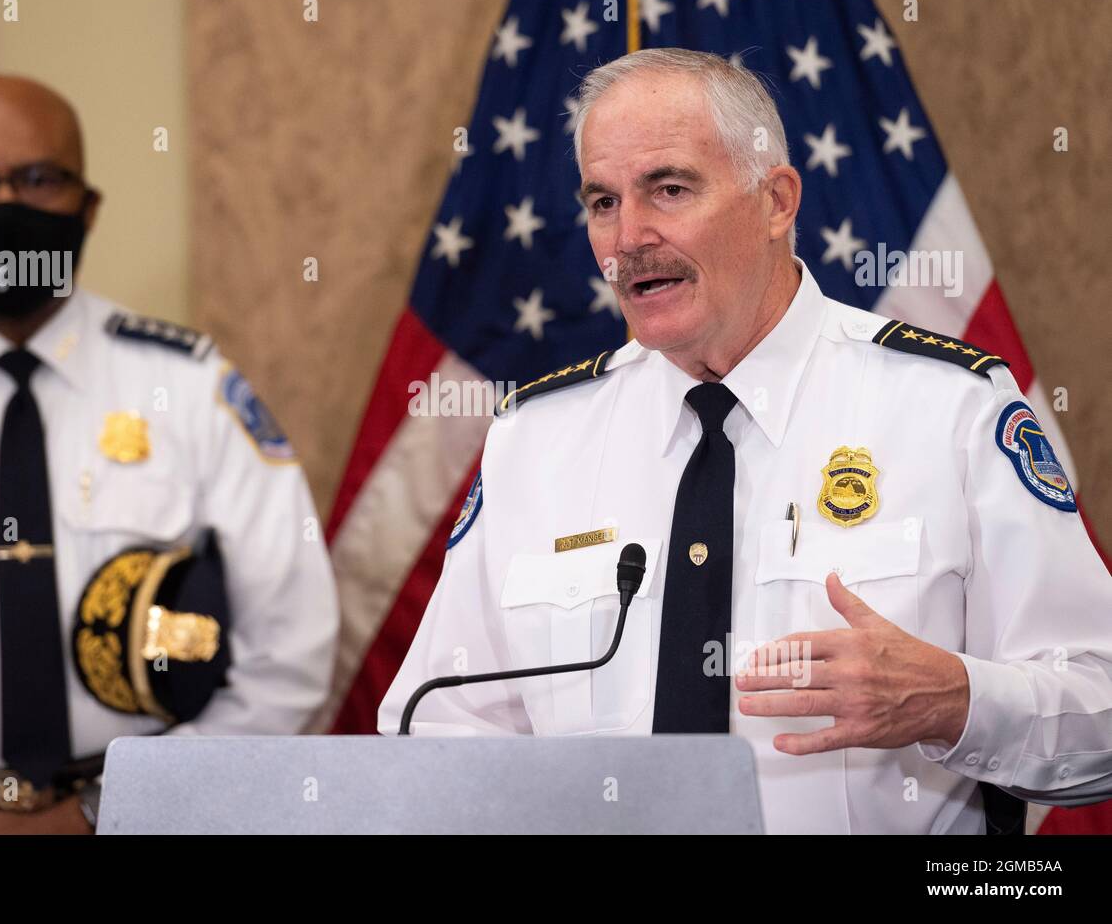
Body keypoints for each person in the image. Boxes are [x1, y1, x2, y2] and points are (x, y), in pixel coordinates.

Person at [378, 49, 1112, 834]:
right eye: (601, 202)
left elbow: (1100, 707)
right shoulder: (535, 441)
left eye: (669, 188)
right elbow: (435, 728)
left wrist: (954, 701)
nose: (627, 238)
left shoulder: (948, 409)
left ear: (776, 200)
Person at [0, 76, 339, 834]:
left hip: (142, 820)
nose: (5, 206)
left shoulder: (190, 386)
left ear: (88, 207)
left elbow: (290, 644)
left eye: (37, 178)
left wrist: (110, 814)